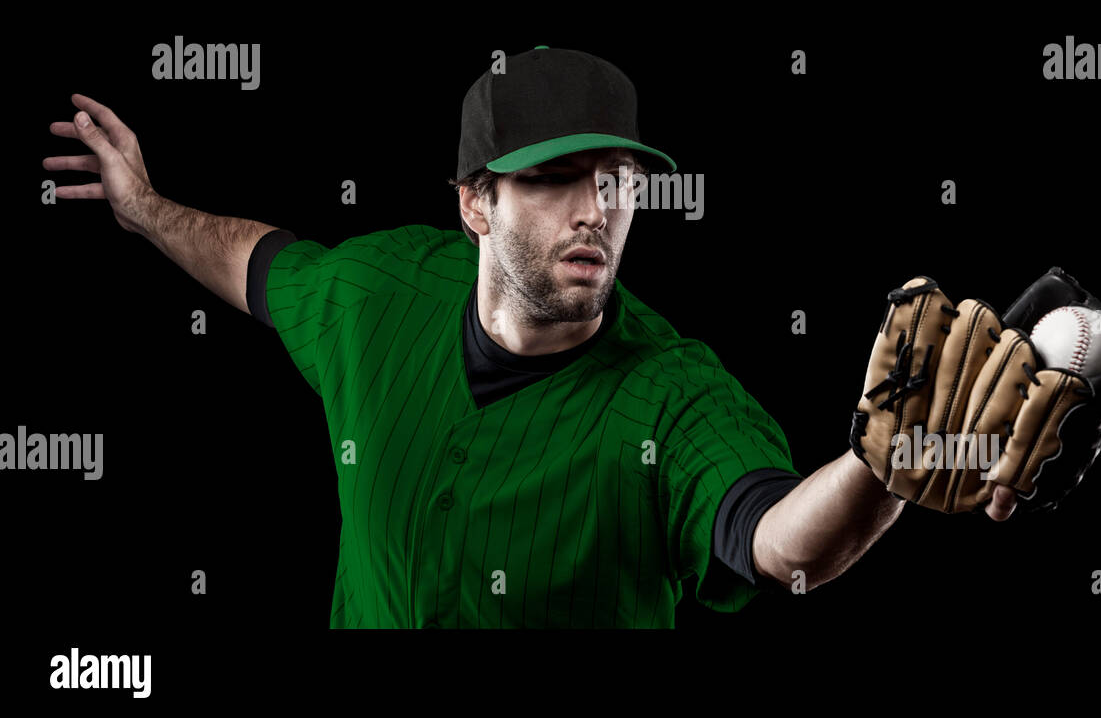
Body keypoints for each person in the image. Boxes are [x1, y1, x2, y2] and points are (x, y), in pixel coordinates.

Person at [43, 47, 1017, 628]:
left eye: (617, 178)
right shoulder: (375, 292)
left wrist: (876, 470)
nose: (595, 205)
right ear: (476, 200)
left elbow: (771, 535)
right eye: (558, 175)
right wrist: (143, 206)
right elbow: (258, 261)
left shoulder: (671, 394)